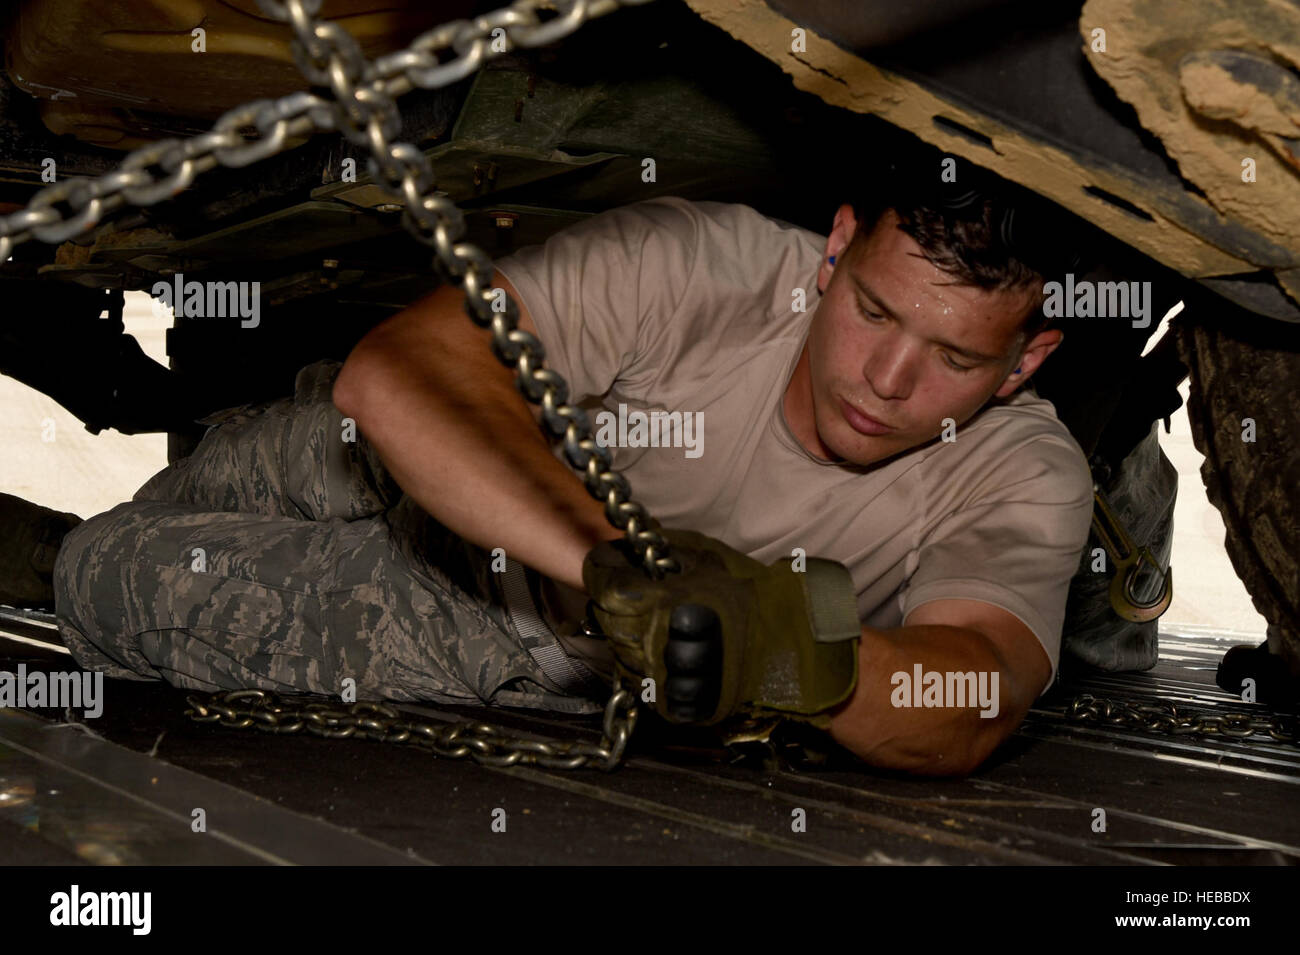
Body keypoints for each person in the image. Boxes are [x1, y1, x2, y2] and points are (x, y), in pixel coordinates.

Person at [51, 171, 1094, 775]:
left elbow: (979, 683)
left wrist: (794, 653)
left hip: (491, 620)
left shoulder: (1022, 471)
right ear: (833, 254)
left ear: (1024, 363)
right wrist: (619, 569)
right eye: (872, 311)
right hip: (426, 462)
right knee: (226, 463)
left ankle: (35, 552)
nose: (886, 377)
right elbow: (407, 368)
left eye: (955, 359)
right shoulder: (705, 264)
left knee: (102, 569)